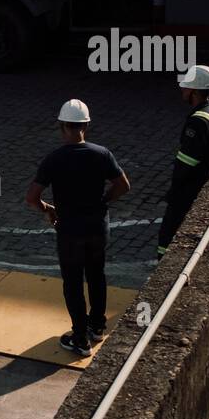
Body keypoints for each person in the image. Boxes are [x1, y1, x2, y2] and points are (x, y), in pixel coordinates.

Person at [26, 99, 131, 357]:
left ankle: (80, 338)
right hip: (97, 227)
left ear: (62, 126)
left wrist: (48, 209)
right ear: (86, 125)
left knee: (73, 282)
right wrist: (103, 201)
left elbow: (31, 197)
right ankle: (97, 326)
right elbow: (123, 185)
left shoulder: (54, 159)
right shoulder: (102, 154)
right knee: (96, 275)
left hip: (70, 231)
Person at [158, 64, 209, 258]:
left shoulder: (198, 121)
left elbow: (185, 165)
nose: (182, 89)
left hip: (189, 190)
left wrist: (173, 192)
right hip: (206, 182)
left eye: (186, 87)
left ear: (195, 91)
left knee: (167, 236)